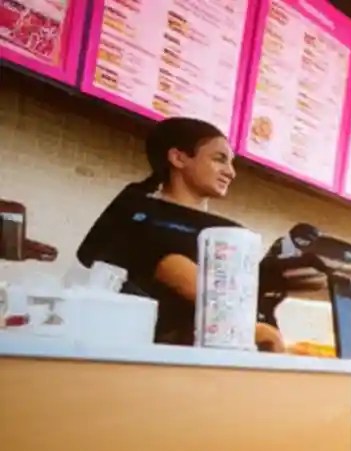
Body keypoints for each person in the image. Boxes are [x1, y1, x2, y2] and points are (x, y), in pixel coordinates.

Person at [77, 117, 283, 351]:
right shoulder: (143, 218)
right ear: (178, 158)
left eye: (231, 162)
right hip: (150, 360)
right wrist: (256, 329)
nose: (231, 172)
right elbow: (189, 280)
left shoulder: (222, 231)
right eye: (219, 159)